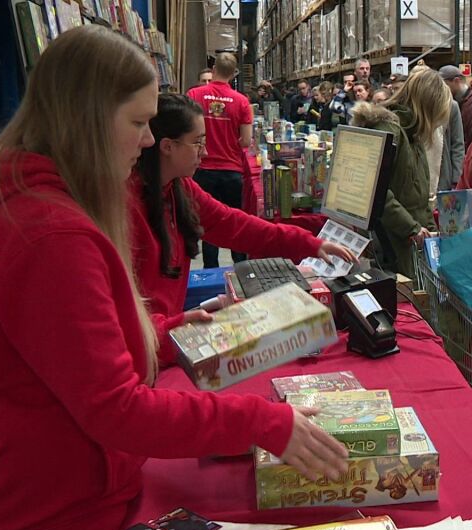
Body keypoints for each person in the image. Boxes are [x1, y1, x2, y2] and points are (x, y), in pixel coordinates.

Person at [0, 26, 349, 530]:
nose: (146, 141)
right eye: (137, 123)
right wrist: (263, 421)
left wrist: (168, 329)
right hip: (56, 520)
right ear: (82, 119)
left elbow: (66, 353)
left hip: (61, 495)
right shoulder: (49, 235)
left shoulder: (45, 212)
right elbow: (115, 408)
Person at [130, 94, 355, 366]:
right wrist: (178, 327)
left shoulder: (180, 189)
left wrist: (310, 244)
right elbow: (126, 316)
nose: (205, 151)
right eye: (198, 142)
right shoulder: (127, 208)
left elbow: (234, 224)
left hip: (166, 342)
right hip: (147, 352)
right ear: (167, 146)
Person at [350, 67, 451, 275]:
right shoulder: (391, 131)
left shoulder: (412, 135)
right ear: (427, 107)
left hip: (408, 241)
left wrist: (430, 229)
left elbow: (419, 196)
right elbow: (375, 190)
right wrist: (411, 228)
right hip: (392, 244)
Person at [186, 52, 253, 268]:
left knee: (208, 223)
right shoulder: (242, 102)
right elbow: (246, 141)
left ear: (213, 70)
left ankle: (211, 270)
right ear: (234, 74)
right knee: (235, 221)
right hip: (231, 170)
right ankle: (241, 267)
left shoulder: (195, 94)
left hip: (202, 169)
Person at [438, 99, 465, 191]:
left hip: (444, 180)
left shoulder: (451, 106)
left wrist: (456, 180)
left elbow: (458, 145)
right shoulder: (413, 104)